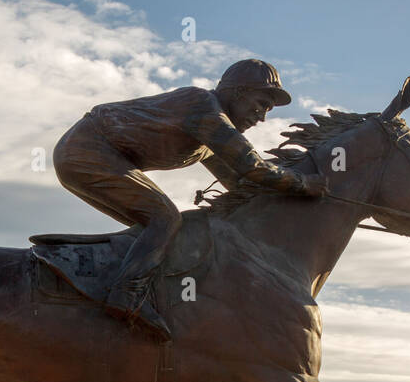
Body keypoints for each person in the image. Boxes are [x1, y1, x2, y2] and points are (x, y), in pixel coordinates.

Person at [53, 59, 327, 339]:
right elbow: (251, 166)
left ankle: (121, 284)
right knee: (165, 219)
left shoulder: (207, 138)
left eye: (267, 110)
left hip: (88, 152)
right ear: (238, 92)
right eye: (261, 104)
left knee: (161, 233)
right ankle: (125, 295)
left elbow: (240, 183)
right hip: (85, 150)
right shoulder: (202, 107)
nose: (261, 117)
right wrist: (303, 183)